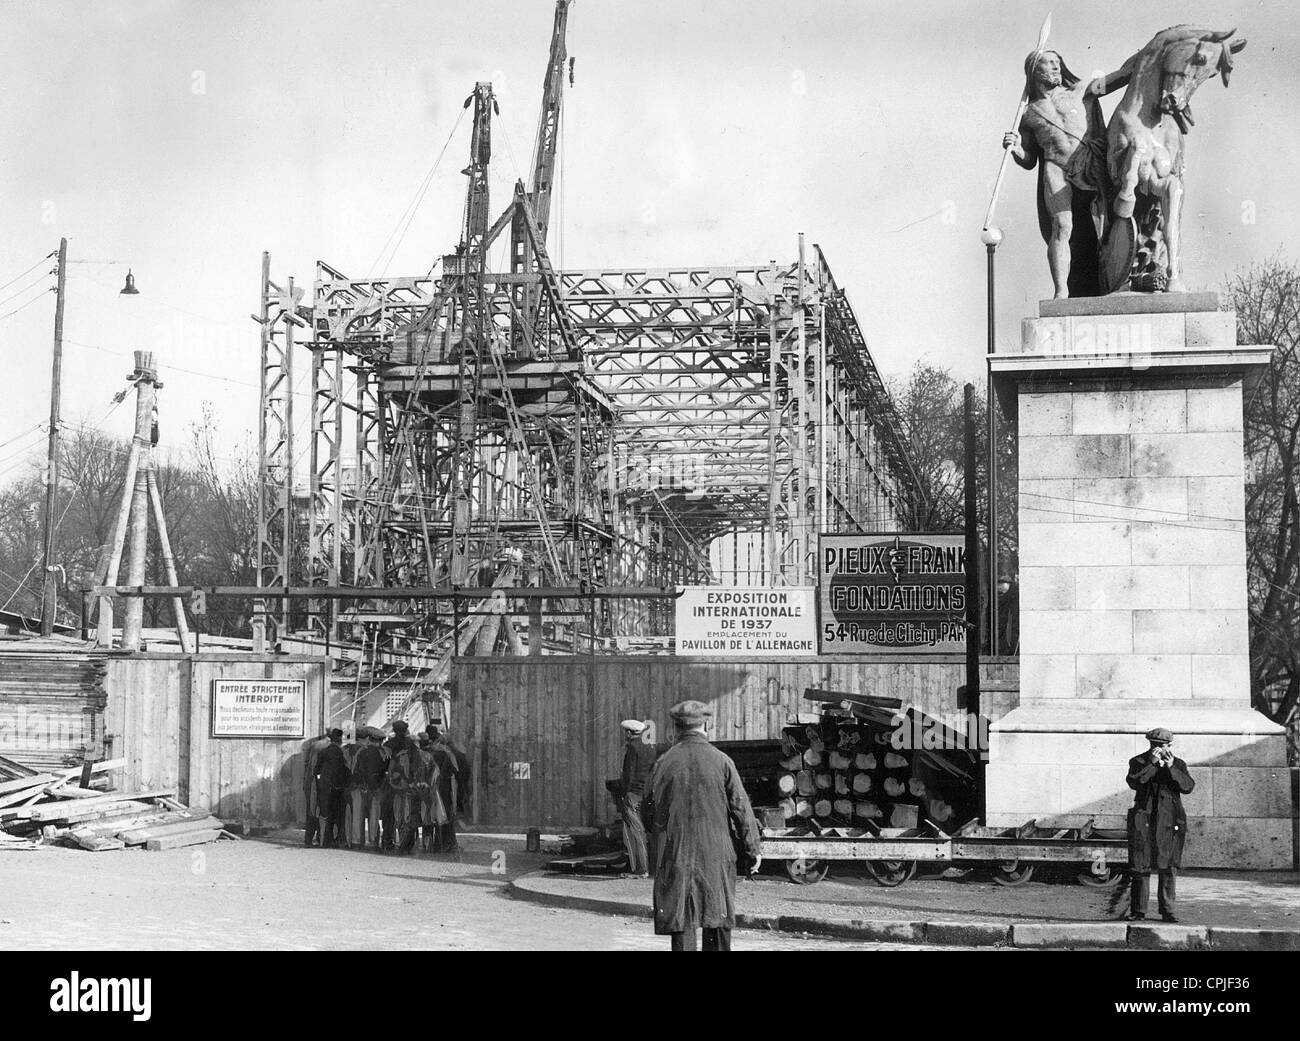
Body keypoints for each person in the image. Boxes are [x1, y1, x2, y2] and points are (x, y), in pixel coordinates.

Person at [1002, 49, 1134, 298]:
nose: (1055, 67)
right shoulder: (1028, 114)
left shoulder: (1081, 89)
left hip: (1090, 162)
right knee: (1061, 225)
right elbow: (1030, 161)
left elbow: (1117, 78)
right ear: (1034, 71)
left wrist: (1144, 59)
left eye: (1057, 63)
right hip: (1056, 167)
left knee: (1105, 226)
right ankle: (1061, 291)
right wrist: (1017, 149)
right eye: (1048, 63)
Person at [640, 700, 762, 951]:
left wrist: (665, 833)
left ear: (676, 727)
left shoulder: (663, 763)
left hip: (677, 853)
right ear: (706, 724)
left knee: (682, 921)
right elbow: (741, 808)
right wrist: (753, 850)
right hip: (716, 854)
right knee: (716, 919)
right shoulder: (722, 761)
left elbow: (647, 812)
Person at [1126, 727, 1195, 923]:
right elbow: (1135, 782)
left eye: (1165, 746)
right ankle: (1138, 911)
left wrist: (1171, 767)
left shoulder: (1178, 763)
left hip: (1170, 820)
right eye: (1157, 746)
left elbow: (1188, 786)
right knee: (1140, 865)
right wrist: (1152, 763)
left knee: (1168, 866)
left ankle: (1168, 911)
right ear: (1151, 745)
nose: (1162, 749)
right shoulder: (1138, 762)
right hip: (1144, 820)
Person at [617, 719, 657, 877]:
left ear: (628, 733)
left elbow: (628, 774)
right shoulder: (649, 747)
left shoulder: (632, 748)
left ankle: (640, 869)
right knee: (644, 831)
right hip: (645, 794)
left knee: (635, 832)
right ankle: (647, 867)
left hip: (632, 794)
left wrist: (624, 792)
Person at [379, 720, 418, 851]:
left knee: (389, 814)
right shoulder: (412, 745)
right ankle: (406, 844)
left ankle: (387, 842)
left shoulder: (388, 745)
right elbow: (416, 765)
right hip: (407, 785)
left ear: (394, 730)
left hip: (391, 785)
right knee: (407, 813)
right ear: (406, 729)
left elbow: (383, 765)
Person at [348, 729, 388, 849]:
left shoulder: (360, 751)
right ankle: (373, 841)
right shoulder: (382, 752)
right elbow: (383, 772)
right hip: (375, 789)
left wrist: (360, 783)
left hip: (359, 788)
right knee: (374, 815)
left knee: (357, 815)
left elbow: (354, 770)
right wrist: (377, 786)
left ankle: (356, 841)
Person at [314, 728, 351, 848]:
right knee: (337, 814)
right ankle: (336, 840)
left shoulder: (323, 752)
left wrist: (321, 781)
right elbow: (347, 770)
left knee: (324, 813)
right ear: (340, 740)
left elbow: (316, 771)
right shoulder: (342, 753)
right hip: (338, 788)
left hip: (325, 787)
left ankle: (323, 840)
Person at [301, 733, 333, 847]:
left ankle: (309, 839)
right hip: (317, 784)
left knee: (312, 812)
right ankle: (319, 838)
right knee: (319, 812)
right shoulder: (325, 747)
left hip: (310, 783)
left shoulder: (314, 747)